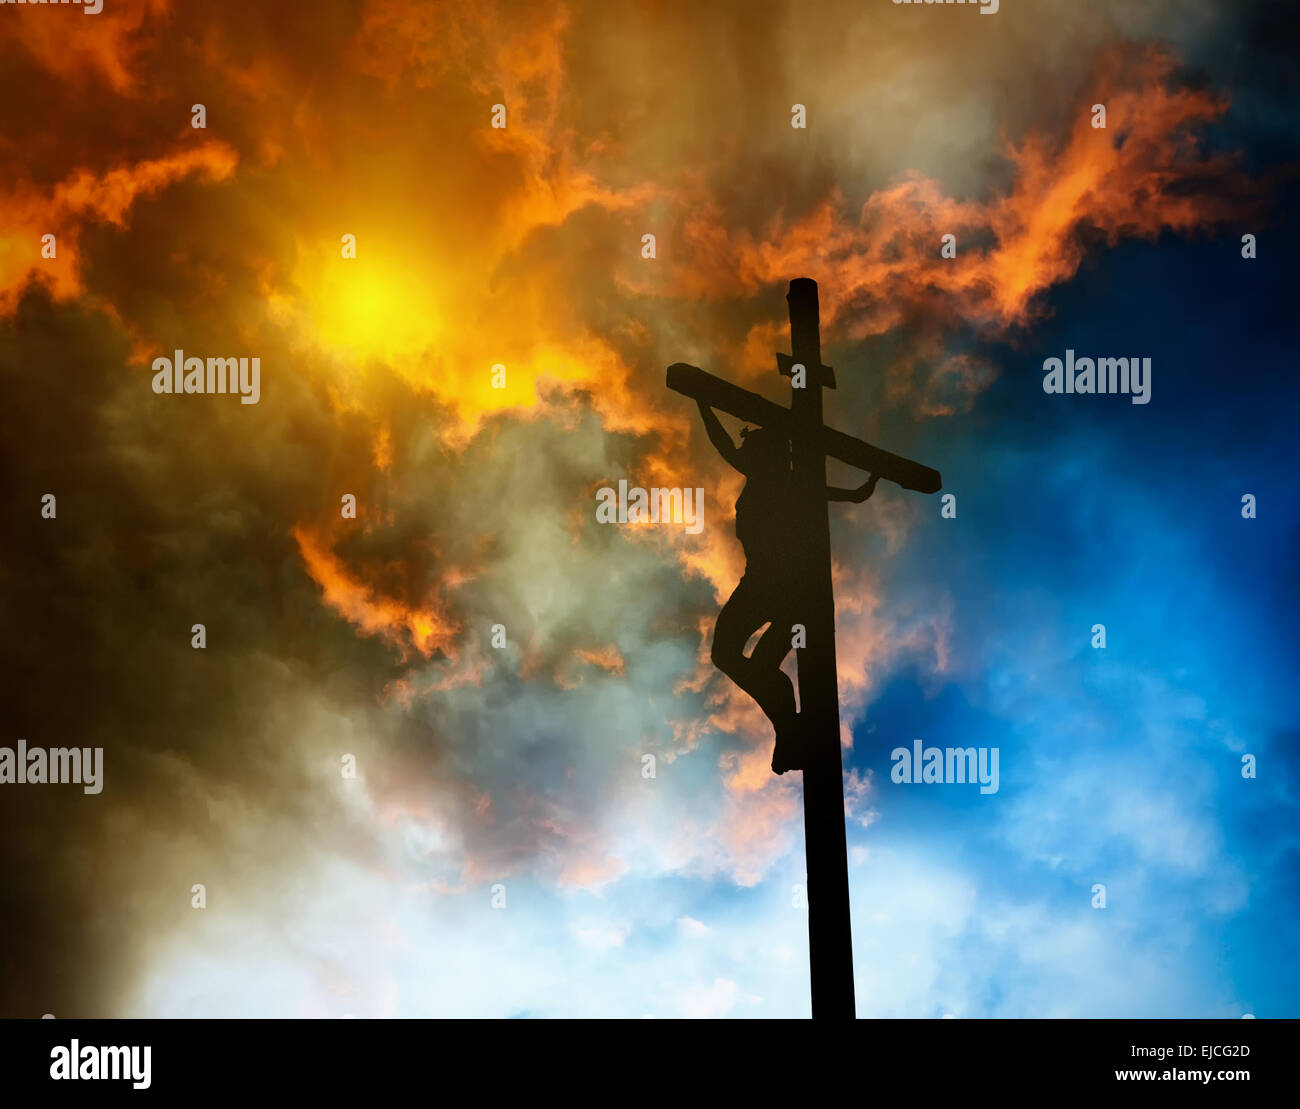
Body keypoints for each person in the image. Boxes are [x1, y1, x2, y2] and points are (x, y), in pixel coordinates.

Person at [697, 400, 879, 773]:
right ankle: (790, 729)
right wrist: (702, 402)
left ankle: (790, 731)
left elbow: (841, 494)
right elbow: (724, 444)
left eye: (753, 448)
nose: (745, 453)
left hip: (783, 590)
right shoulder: (768, 475)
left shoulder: (784, 479)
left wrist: (863, 487)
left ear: (768, 453)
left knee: (758, 666)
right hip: (759, 583)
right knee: (737, 659)